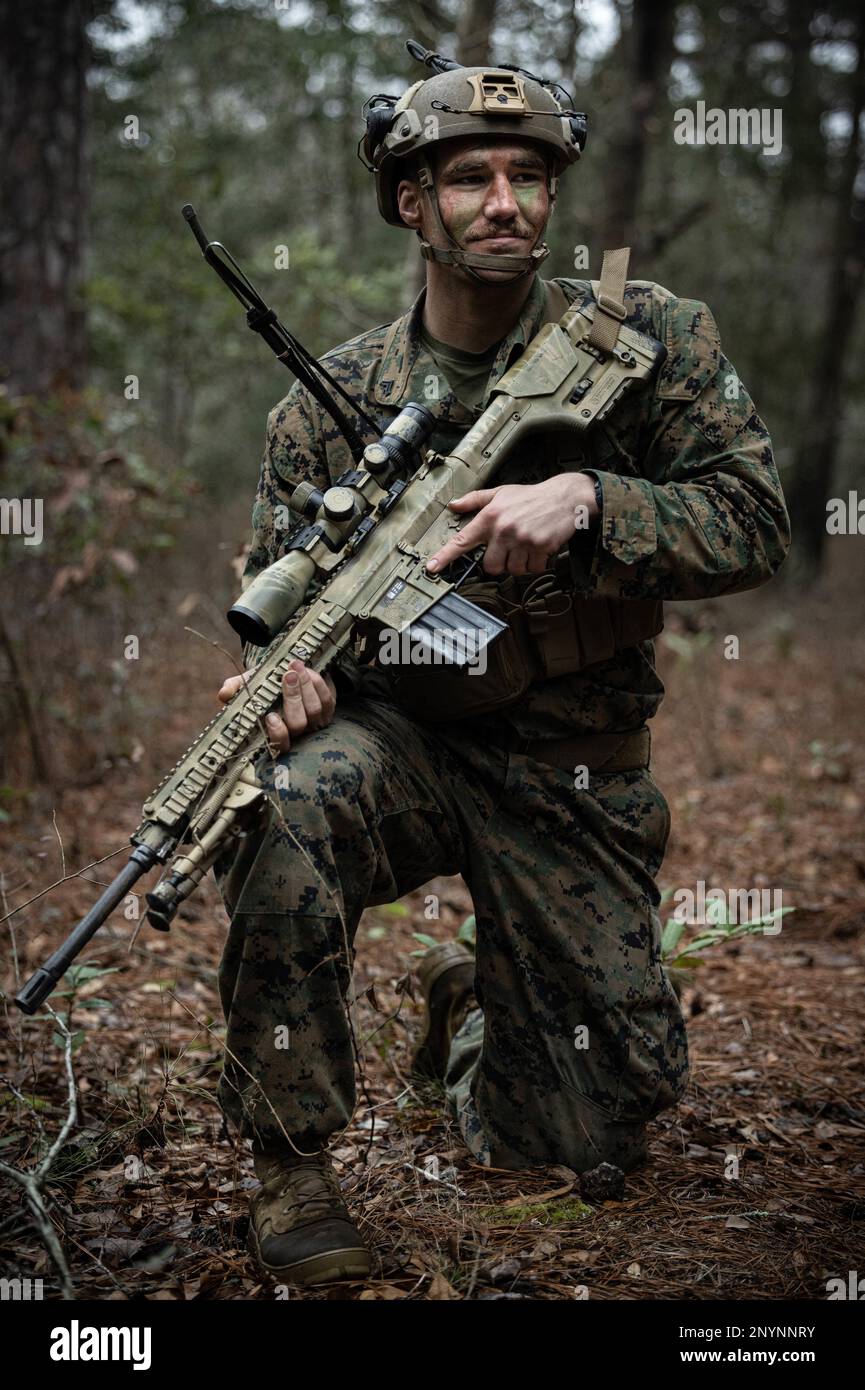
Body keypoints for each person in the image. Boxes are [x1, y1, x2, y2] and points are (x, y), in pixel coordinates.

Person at [212, 49, 791, 1287]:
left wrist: (593, 499)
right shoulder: (332, 402)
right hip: (404, 744)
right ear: (411, 204)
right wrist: (297, 686)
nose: (503, 202)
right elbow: (288, 610)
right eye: (467, 176)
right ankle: (291, 1166)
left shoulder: (644, 339)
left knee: (589, 1136)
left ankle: (473, 1016)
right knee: (281, 805)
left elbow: (756, 520)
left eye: (527, 175)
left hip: (572, 764)